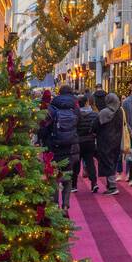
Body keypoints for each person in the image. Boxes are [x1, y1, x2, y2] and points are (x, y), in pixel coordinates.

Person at [37, 82, 80, 215]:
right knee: (67, 178)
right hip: (70, 147)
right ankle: (65, 206)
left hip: (53, 148)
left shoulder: (52, 108)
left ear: (59, 93)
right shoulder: (75, 107)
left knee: (54, 177)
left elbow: (43, 129)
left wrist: (43, 140)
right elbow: (79, 123)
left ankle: (55, 206)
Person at [95, 92, 123, 195]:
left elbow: (95, 125)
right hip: (117, 139)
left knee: (108, 162)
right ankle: (111, 183)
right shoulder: (119, 111)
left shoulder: (104, 112)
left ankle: (112, 186)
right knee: (113, 161)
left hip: (105, 140)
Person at [72, 91, 99, 194]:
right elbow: (96, 128)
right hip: (89, 141)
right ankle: (94, 183)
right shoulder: (94, 114)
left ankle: (74, 185)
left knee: (76, 164)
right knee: (90, 162)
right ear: (87, 102)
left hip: (78, 141)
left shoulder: (75, 115)